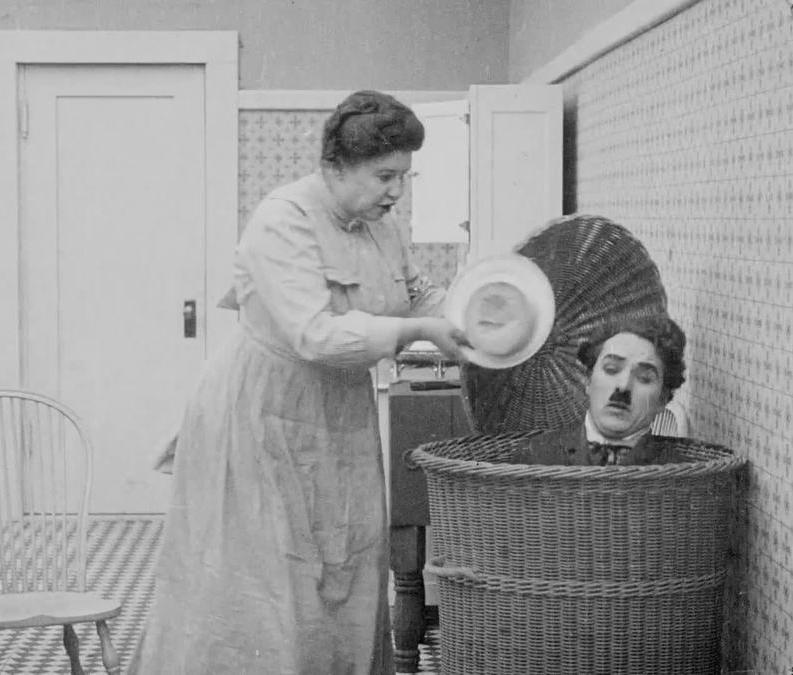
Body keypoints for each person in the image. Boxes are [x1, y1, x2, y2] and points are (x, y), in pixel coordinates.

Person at [127, 90, 468, 674]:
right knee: (263, 582)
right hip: (260, 412)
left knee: (345, 568)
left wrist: (470, 313)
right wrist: (417, 330)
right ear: (336, 167)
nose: (397, 192)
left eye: (403, 177)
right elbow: (316, 334)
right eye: (385, 176)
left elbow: (416, 292)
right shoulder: (282, 220)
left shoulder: (381, 226)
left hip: (339, 413)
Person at [524, 314, 687, 466]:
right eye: (611, 369)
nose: (623, 386)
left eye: (644, 378)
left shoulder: (678, 472)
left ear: (662, 399)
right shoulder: (536, 455)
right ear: (588, 380)